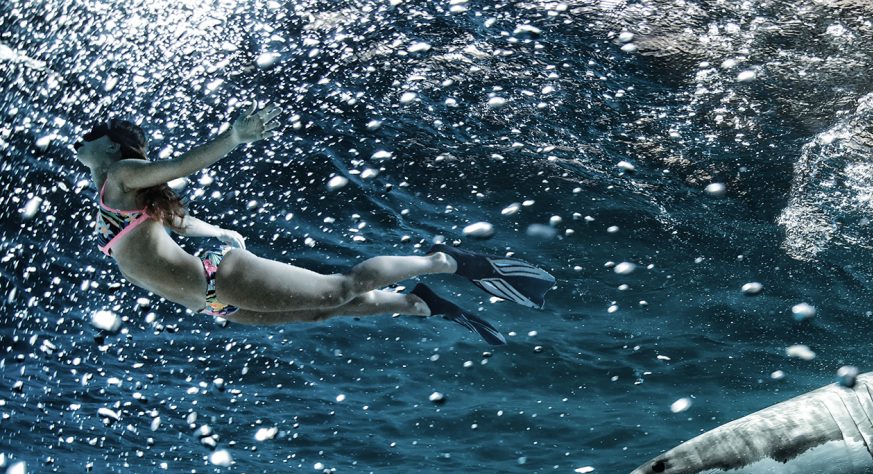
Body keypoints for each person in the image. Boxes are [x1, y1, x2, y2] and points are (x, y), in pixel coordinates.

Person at [73, 105, 556, 345]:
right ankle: (419, 305)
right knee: (319, 313)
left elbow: (181, 165)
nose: (81, 138)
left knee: (335, 290)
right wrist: (218, 232)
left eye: (90, 135)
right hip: (211, 303)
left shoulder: (120, 175)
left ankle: (448, 262)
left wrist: (234, 136)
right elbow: (176, 219)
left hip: (218, 279)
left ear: (114, 149)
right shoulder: (114, 197)